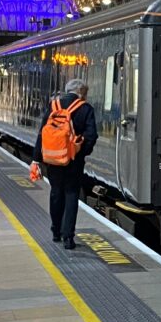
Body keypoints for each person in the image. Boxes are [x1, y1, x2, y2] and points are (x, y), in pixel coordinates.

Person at [31, 79, 98, 249]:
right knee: (71, 195)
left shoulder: (53, 106)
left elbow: (42, 134)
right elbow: (92, 135)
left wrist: (36, 159)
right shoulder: (85, 108)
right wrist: (80, 152)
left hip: (53, 160)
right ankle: (68, 237)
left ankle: (55, 231)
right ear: (82, 92)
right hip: (73, 162)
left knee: (56, 193)